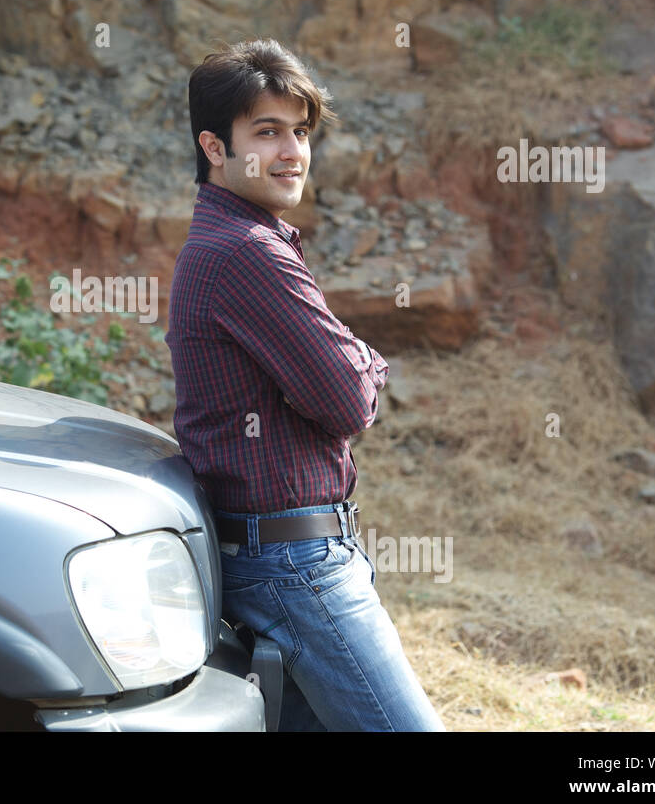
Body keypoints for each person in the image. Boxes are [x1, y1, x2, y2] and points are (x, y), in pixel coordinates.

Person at [164, 38, 445, 731]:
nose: (292, 152)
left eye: (300, 132)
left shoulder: (237, 242)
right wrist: (366, 359)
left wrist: (345, 358)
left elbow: (330, 379)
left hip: (282, 556)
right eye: (267, 132)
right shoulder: (247, 252)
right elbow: (349, 399)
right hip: (295, 568)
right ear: (214, 147)